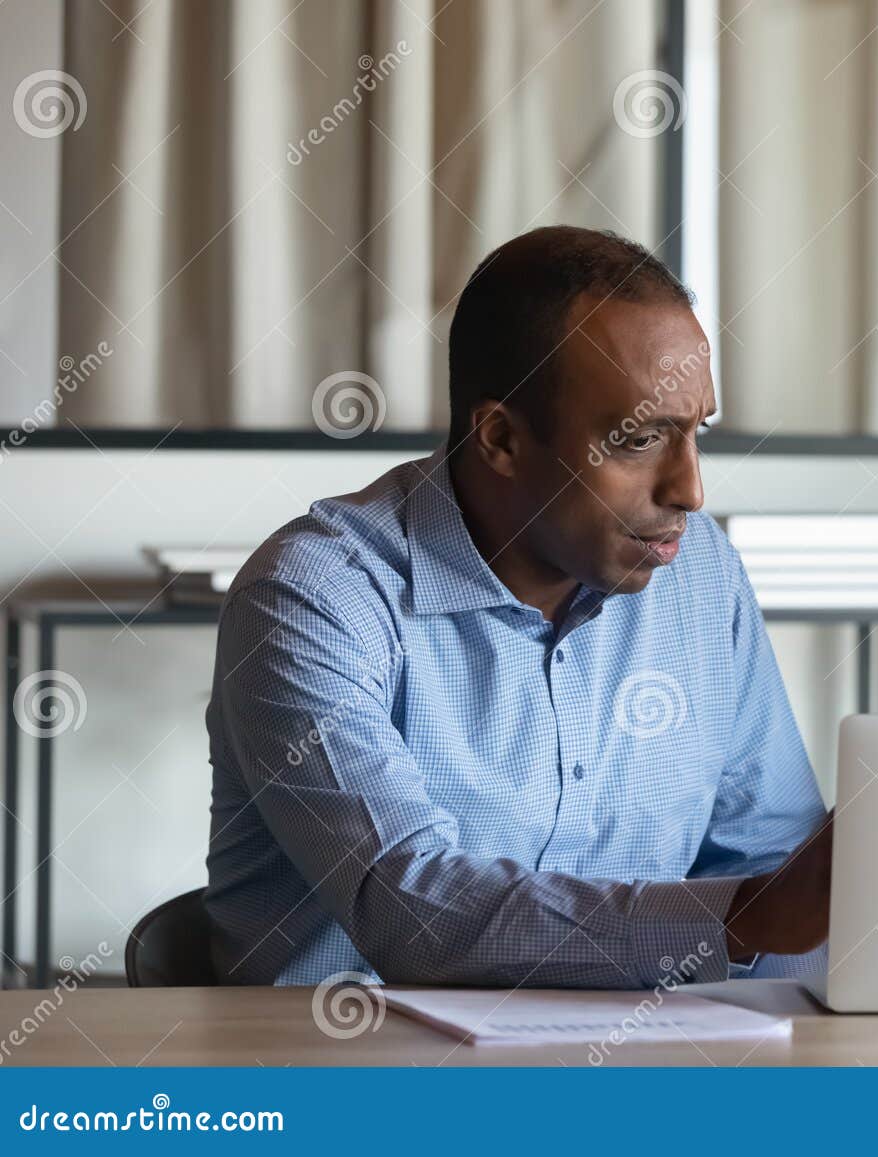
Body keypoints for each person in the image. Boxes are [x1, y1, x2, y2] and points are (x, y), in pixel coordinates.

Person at [205, 226, 830, 987]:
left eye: (696, 432)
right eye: (638, 439)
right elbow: (412, 909)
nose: (689, 491)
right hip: (354, 1079)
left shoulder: (701, 575)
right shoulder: (312, 596)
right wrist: (741, 918)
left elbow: (776, 867)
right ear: (501, 437)